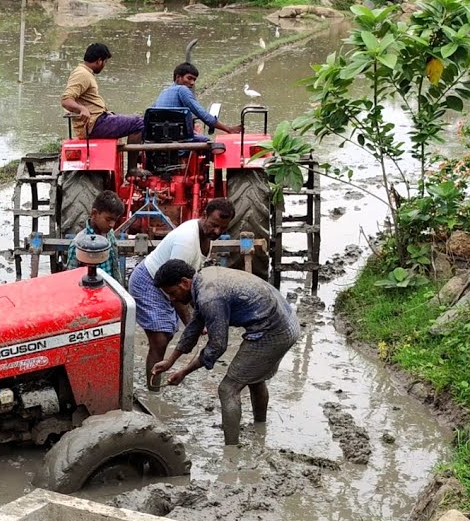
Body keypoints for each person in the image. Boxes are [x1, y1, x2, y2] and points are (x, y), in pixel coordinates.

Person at [150, 260, 301, 447]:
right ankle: (260, 429)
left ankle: (231, 451)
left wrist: (184, 372)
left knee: (227, 389)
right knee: (253, 376)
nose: (172, 299)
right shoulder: (204, 279)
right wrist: (170, 362)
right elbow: (194, 327)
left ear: (184, 282)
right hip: (287, 320)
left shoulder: (209, 297)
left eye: (172, 293)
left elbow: (218, 346)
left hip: (273, 330)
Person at [125, 199, 234, 390]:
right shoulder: (187, 241)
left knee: (167, 334)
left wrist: (197, 320)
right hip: (149, 280)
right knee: (160, 339)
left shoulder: (207, 238)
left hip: (170, 283)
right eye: (214, 225)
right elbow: (178, 290)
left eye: (223, 228)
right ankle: (153, 390)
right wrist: (193, 323)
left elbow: (190, 284)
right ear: (204, 214)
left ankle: (155, 381)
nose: (217, 232)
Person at [61, 43, 145, 141]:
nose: (104, 65)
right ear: (99, 61)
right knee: (140, 122)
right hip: (95, 125)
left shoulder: (85, 72)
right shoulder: (82, 74)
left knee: (137, 119)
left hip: (98, 120)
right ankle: (134, 157)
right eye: (105, 61)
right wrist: (81, 109)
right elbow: (66, 100)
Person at [152, 62, 242, 147]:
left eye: (194, 80)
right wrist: (229, 129)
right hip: (179, 137)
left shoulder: (163, 92)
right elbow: (201, 113)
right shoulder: (182, 90)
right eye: (189, 78)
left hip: (159, 136)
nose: (192, 83)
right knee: (210, 143)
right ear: (178, 77)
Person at [65, 190, 126, 284]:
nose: (112, 225)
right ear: (94, 214)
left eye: (115, 220)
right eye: (108, 219)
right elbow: (71, 278)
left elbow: (115, 267)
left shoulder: (110, 235)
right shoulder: (78, 244)